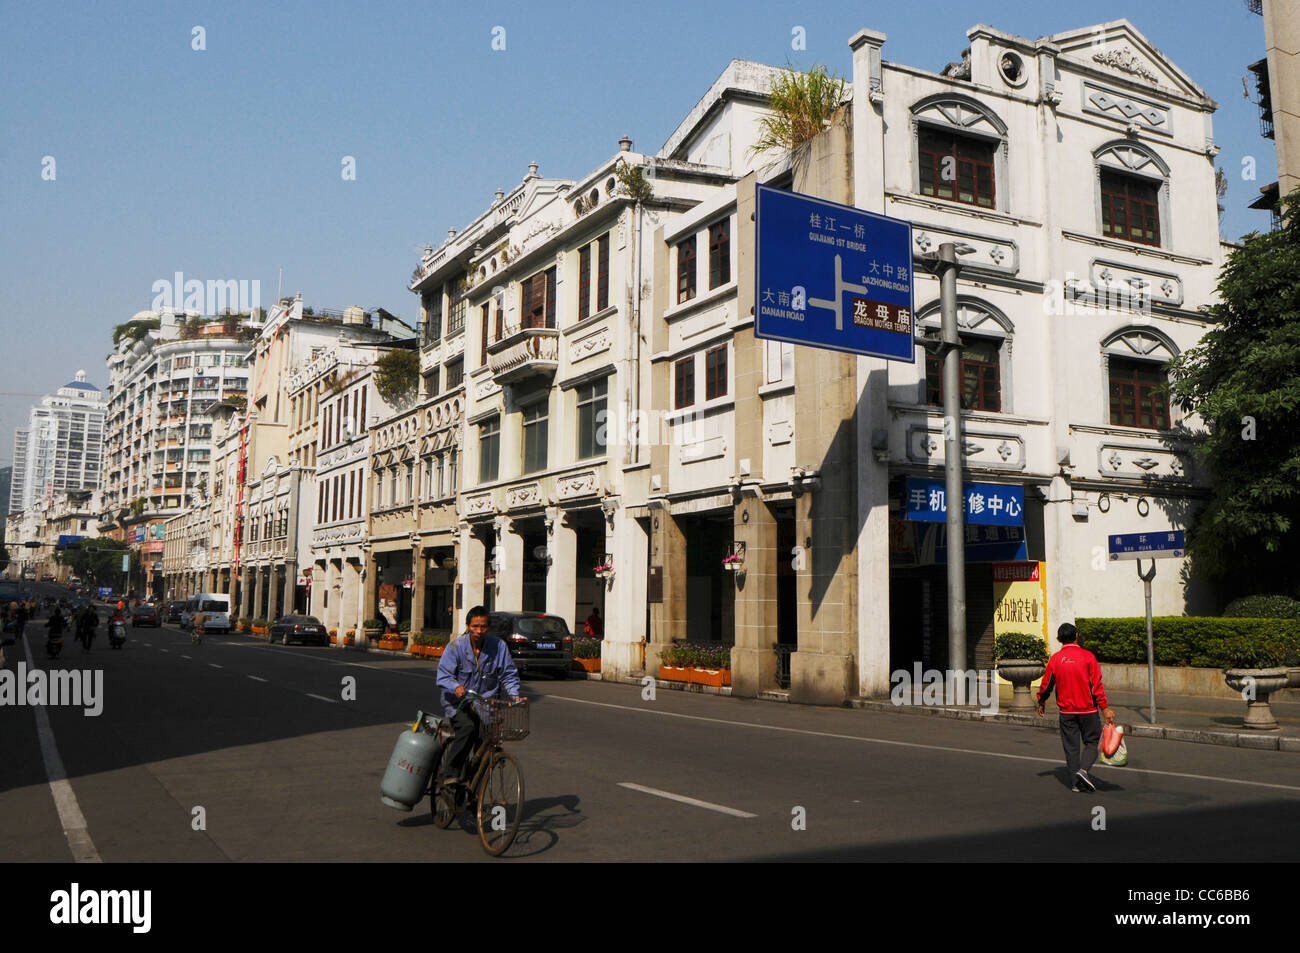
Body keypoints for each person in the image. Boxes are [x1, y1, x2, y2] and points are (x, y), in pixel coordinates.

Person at [434, 606, 525, 791]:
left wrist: (515, 696)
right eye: (475, 626)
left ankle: (474, 789)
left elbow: (508, 674)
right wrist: (456, 687)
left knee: (486, 742)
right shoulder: (456, 647)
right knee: (467, 728)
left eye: (483, 626)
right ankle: (450, 772)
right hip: (458, 702)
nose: (479, 630)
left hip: (485, 705)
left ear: (488, 627)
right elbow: (443, 675)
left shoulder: (498, 646)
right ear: (467, 626)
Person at [1037, 622, 1115, 792]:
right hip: (1088, 710)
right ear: (1077, 636)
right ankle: (1083, 770)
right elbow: (1096, 686)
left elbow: (1046, 684)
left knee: (1071, 749)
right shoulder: (1088, 657)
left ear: (1059, 639)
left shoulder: (1056, 659)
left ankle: (1075, 783)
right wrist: (1105, 708)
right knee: (1092, 742)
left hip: (1066, 712)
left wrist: (1041, 702)